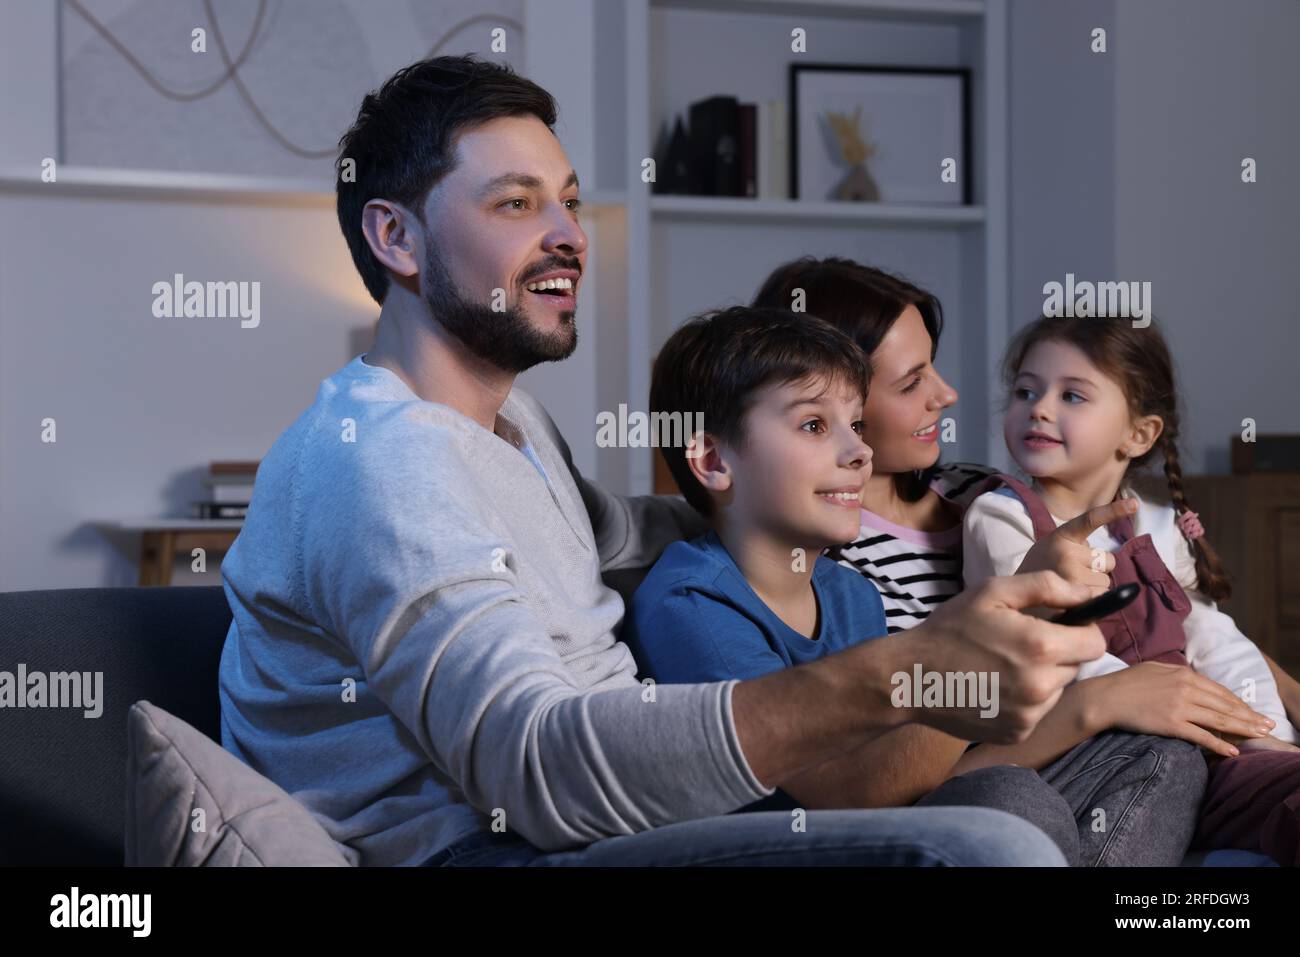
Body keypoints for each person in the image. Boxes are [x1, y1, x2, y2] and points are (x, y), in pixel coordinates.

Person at [217, 54, 1109, 869]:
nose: (570, 232)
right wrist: (905, 673)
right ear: (397, 239)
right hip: (503, 851)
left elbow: (629, 529)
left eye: (569, 200)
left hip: (642, 826)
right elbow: (531, 763)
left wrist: (847, 497)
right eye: (517, 203)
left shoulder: (509, 420)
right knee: (992, 848)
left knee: (1060, 783)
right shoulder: (381, 464)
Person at [627, 300, 1204, 865]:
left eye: (854, 424)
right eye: (812, 425)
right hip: (790, 844)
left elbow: (905, 771)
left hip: (885, 815)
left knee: (1160, 755)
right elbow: (850, 792)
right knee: (1007, 800)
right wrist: (990, 642)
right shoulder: (691, 602)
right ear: (712, 460)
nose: (858, 451)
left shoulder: (845, 591)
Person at [960, 312, 1300, 865]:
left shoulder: (1156, 527)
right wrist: (1176, 712)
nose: (1039, 407)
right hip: (1095, 748)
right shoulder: (1002, 518)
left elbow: (1214, 638)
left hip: (1201, 739)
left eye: (1073, 396)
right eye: (1026, 390)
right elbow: (1055, 654)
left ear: (1138, 434)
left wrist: (1260, 729)